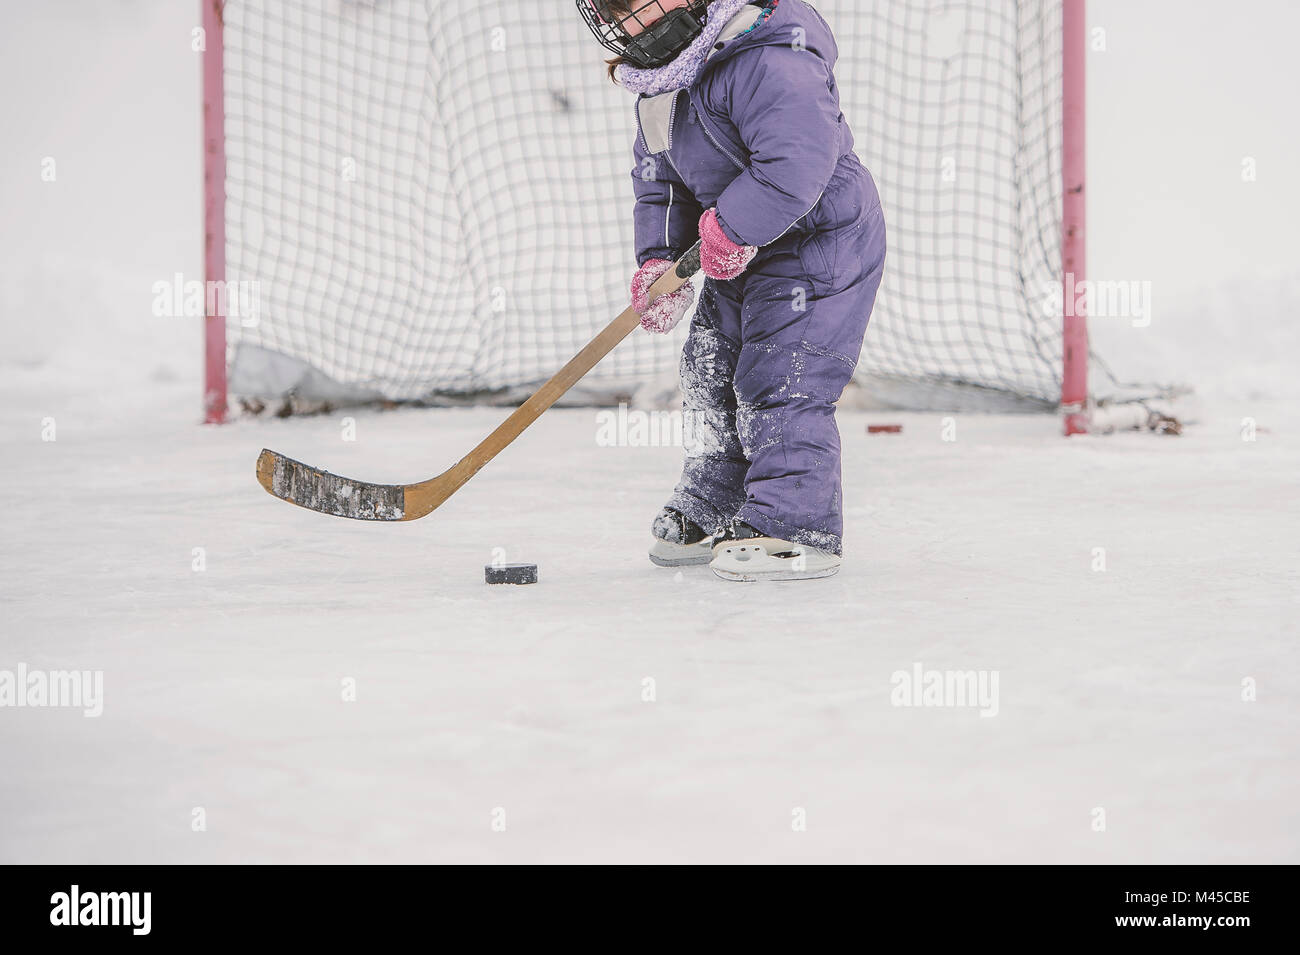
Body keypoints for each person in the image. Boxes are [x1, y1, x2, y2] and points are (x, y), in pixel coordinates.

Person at [576, 0, 887, 581]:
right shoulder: (661, 89)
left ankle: (793, 523)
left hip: (818, 240)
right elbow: (660, 185)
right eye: (618, 9)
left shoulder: (768, 57)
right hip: (736, 246)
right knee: (709, 366)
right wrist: (659, 261)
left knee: (778, 373)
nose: (633, 20)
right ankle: (718, 498)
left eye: (639, 2)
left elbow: (797, 164)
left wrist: (735, 225)